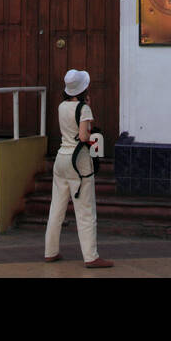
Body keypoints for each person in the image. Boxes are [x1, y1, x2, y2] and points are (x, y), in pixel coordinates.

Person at [43, 68, 114, 268]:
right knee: (85, 211)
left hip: (61, 159)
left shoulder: (61, 106)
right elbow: (84, 136)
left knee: (57, 208)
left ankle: (50, 251)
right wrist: (89, 118)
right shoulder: (83, 108)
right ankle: (91, 256)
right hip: (79, 162)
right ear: (83, 89)